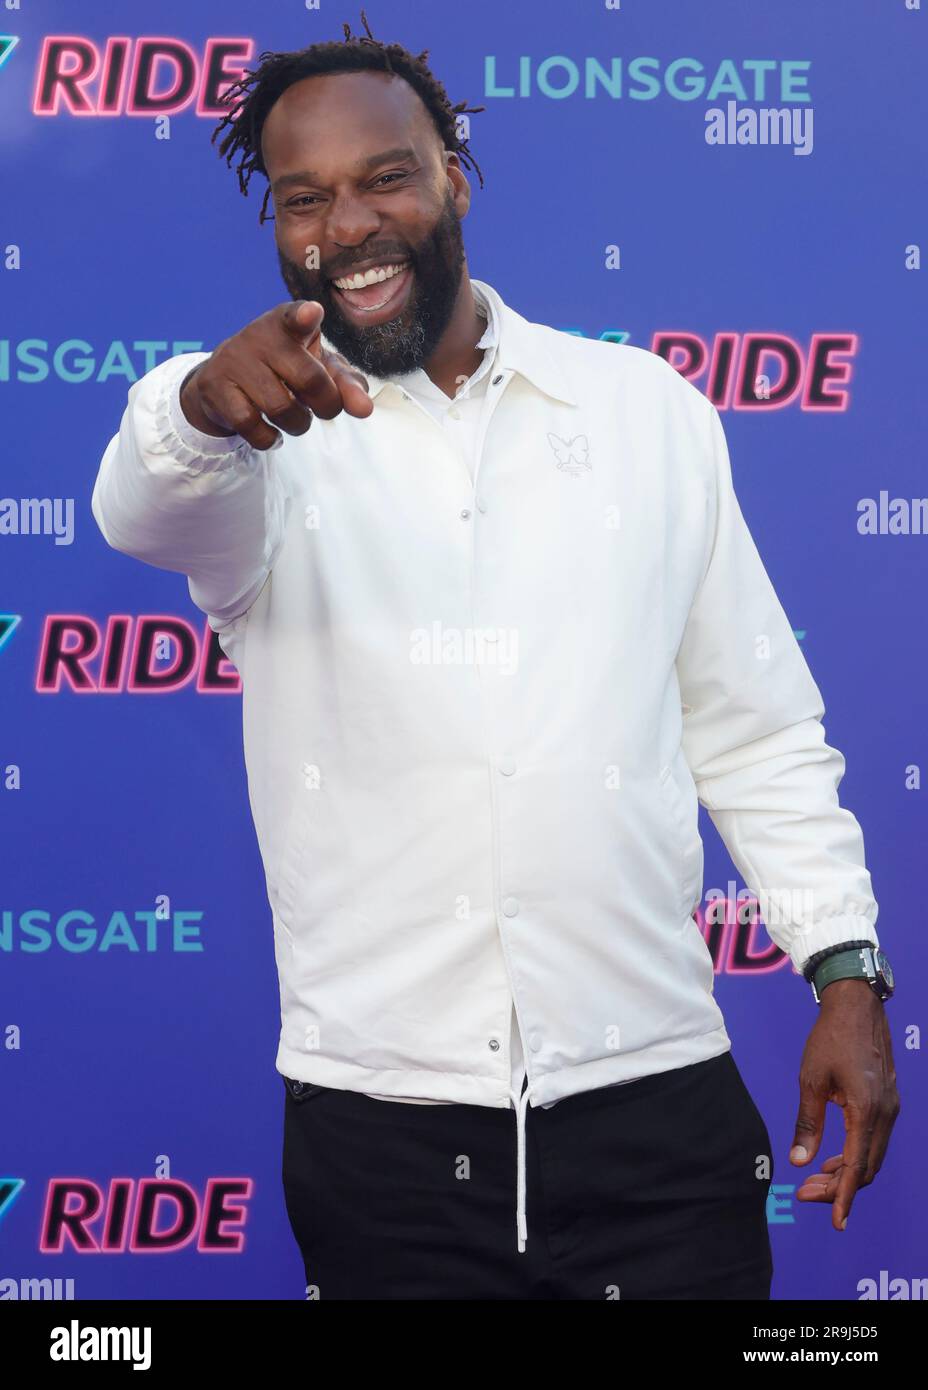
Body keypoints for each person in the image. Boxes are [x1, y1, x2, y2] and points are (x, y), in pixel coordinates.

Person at [90, 13, 899, 1300]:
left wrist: (846, 973)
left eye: (384, 177)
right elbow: (144, 506)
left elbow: (754, 727)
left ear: (454, 174)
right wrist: (196, 407)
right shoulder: (251, 436)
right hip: (383, 1134)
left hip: (658, 1108)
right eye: (304, 200)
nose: (344, 225)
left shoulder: (647, 414)